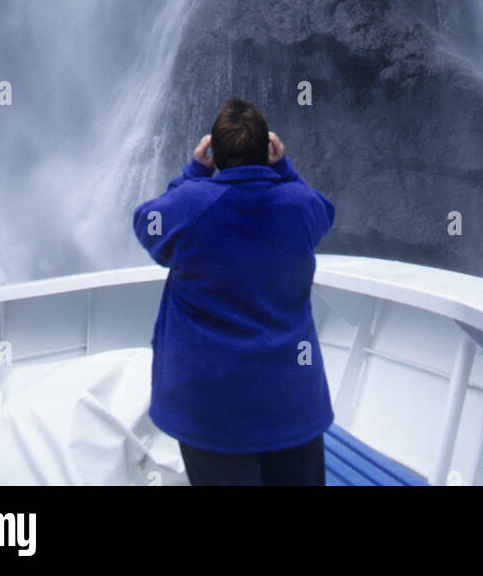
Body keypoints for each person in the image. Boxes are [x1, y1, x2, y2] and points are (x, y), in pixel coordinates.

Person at [132, 95, 336, 485]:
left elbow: (146, 224)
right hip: (293, 404)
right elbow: (323, 213)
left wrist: (193, 171)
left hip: (212, 412)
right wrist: (286, 170)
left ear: (215, 152)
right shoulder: (299, 204)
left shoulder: (191, 204)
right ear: (267, 150)